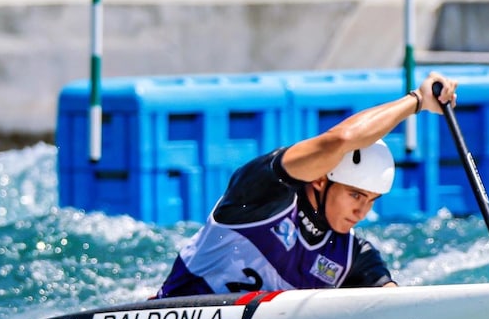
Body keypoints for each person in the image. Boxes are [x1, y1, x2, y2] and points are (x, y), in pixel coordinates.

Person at [155, 71, 458, 299]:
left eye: (372, 199)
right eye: (355, 194)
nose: (362, 211)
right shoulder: (263, 194)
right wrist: (416, 101)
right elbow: (340, 141)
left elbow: (393, 307)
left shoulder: (354, 256)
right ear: (320, 178)